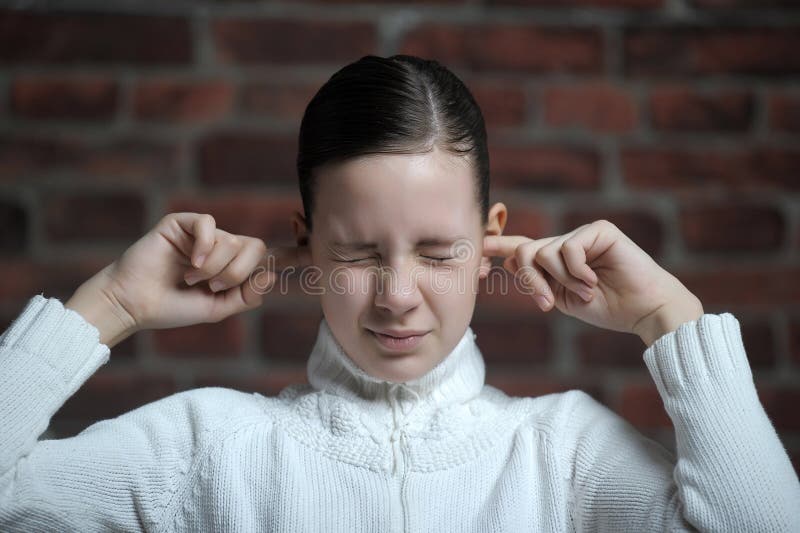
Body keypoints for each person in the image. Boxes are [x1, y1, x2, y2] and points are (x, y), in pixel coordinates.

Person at [0, 55, 797, 532]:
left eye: (440, 251)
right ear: (304, 238)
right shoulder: (206, 449)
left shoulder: (562, 455)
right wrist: (110, 304)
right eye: (355, 252)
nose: (398, 297)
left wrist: (672, 319)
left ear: (492, 238)